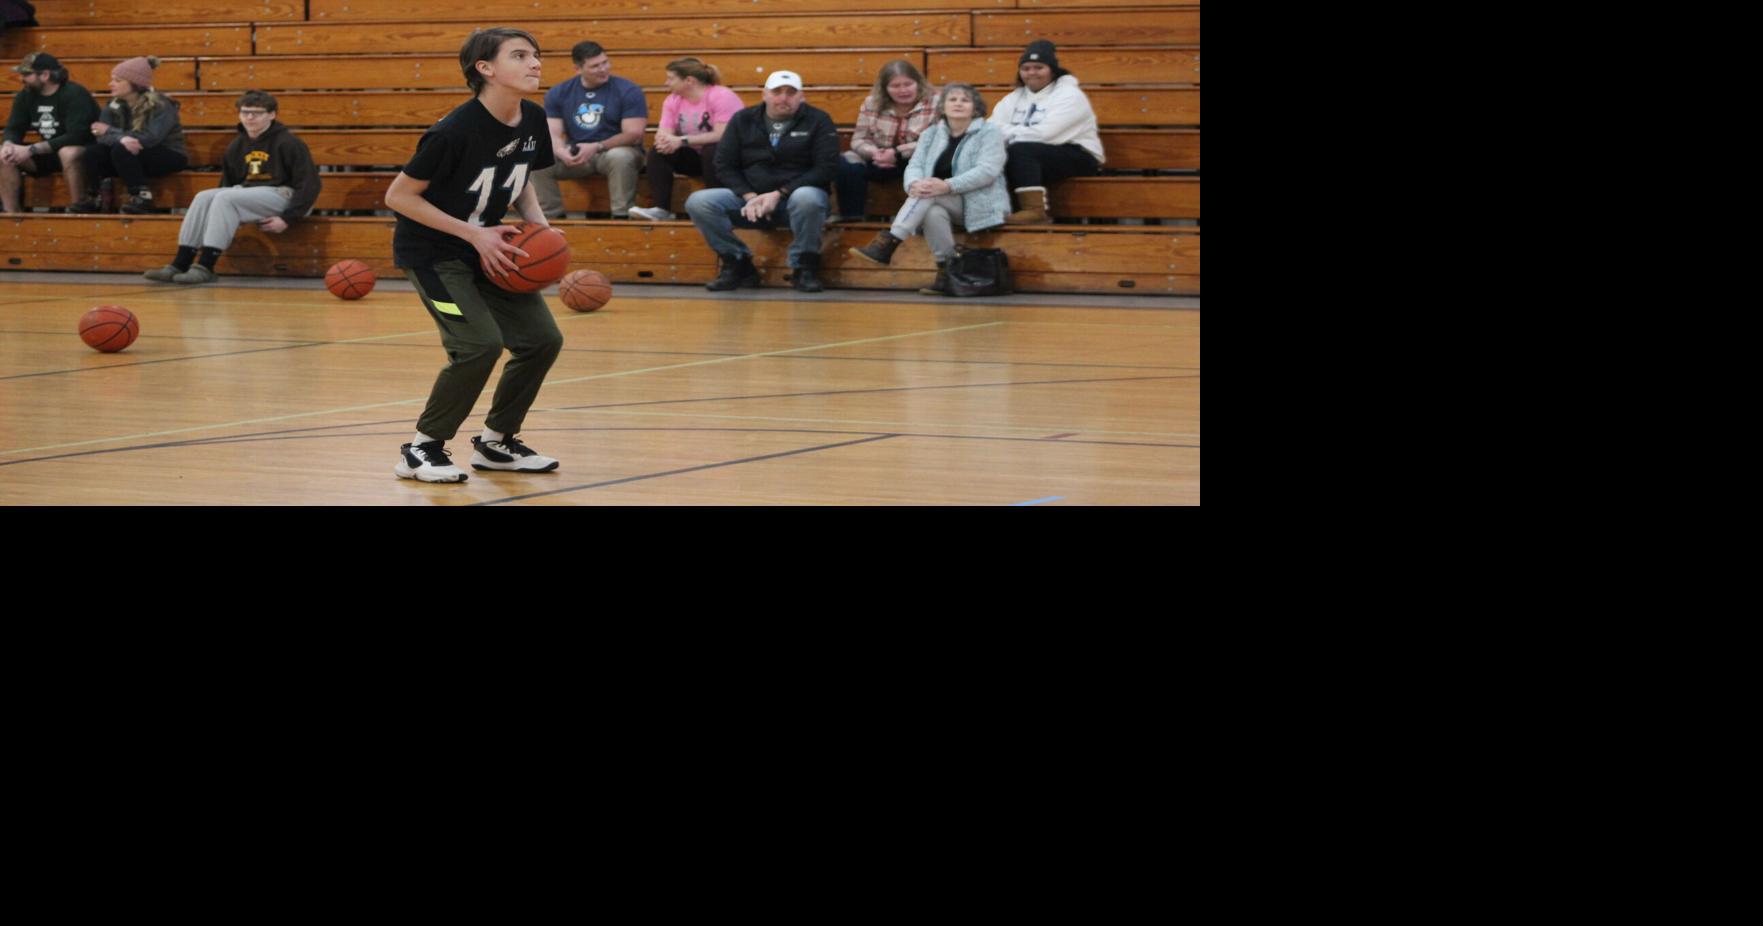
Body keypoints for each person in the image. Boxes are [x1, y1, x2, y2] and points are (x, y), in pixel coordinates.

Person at [384, 27, 565, 483]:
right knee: (477, 345)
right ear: (485, 69)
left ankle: (497, 443)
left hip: (491, 249)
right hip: (434, 255)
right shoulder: (453, 131)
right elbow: (399, 197)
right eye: (520, 56)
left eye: (536, 55)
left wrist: (540, 228)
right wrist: (473, 234)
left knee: (542, 340)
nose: (535, 63)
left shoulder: (532, 118)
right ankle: (422, 449)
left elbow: (518, 177)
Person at [141, 91, 321, 284]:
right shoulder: (237, 145)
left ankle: (206, 266)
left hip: (286, 196)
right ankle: (180, 262)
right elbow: (227, 184)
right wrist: (230, 214)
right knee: (204, 196)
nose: (249, 117)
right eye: (245, 112)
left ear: (272, 115)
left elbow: (310, 184)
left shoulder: (289, 143)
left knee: (225, 198)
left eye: (257, 113)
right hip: (250, 196)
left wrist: (288, 218)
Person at [684, 70, 838, 292]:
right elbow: (724, 164)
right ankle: (737, 263)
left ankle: (805, 266)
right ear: (764, 94)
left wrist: (779, 194)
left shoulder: (818, 120)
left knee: (808, 198)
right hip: (749, 198)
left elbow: (826, 168)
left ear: (801, 96)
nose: (783, 97)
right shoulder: (742, 119)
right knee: (699, 201)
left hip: (794, 198)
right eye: (777, 92)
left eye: (790, 92)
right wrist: (750, 196)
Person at [846, 84, 1007, 296]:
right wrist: (913, 184)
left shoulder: (990, 133)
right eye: (952, 99)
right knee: (930, 205)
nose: (958, 103)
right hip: (938, 199)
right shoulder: (931, 133)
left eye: (965, 100)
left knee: (929, 193)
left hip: (980, 202)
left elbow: (987, 171)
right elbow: (915, 165)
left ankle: (889, 241)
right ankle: (946, 272)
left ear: (975, 108)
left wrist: (947, 185)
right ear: (942, 107)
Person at [987, 40, 1104, 224]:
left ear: (1052, 70)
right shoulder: (1013, 98)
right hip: (1034, 156)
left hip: (1078, 154)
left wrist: (1007, 132)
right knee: (991, 153)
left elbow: (1046, 134)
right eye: (1026, 68)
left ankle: (1034, 211)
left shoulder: (1070, 95)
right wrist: (1011, 134)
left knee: (1020, 150)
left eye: (1038, 67)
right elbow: (990, 129)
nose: (1031, 72)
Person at [528, 40, 646, 219]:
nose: (603, 69)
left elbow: (634, 134)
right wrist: (560, 150)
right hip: (579, 153)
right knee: (537, 156)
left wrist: (597, 146)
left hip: (612, 151)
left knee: (620, 157)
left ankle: (622, 216)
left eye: (605, 62)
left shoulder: (628, 90)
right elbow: (552, 132)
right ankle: (551, 217)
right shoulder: (559, 93)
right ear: (578, 69)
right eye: (595, 66)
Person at [627, 56, 741, 222]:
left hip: (727, 158)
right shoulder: (673, 100)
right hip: (695, 158)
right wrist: (664, 141)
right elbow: (665, 131)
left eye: (671, 78)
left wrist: (682, 141)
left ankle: (716, 205)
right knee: (659, 151)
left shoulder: (721, 96)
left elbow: (722, 134)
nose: (667, 83)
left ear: (689, 80)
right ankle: (661, 209)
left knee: (713, 148)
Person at [70, 56, 189, 214]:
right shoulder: (113, 105)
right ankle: (96, 196)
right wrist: (122, 138)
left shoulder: (161, 105)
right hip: (128, 154)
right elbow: (100, 136)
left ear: (135, 84)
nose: (110, 84)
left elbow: (150, 139)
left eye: (117, 80)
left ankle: (141, 196)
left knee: (121, 149)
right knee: (93, 151)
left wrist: (114, 134)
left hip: (168, 154)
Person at [833, 60, 936, 223]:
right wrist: (875, 153)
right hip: (878, 158)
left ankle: (920, 222)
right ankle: (852, 220)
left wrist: (897, 153)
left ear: (918, 83)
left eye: (908, 84)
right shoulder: (871, 103)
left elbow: (935, 141)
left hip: (915, 159)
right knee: (846, 162)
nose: (903, 90)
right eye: (895, 86)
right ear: (885, 89)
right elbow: (859, 139)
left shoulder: (935, 103)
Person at [0, 52, 97, 214]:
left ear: (45, 75)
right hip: (47, 151)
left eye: (27, 74)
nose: (21, 79)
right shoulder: (26, 95)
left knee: (68, 152)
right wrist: (9, 144)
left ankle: (79, 207)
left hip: (83, 152)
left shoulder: (75, 94)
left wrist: (32, 149)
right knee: (4, 156)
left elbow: (77, 136)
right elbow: (14, 128)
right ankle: (12, 214)